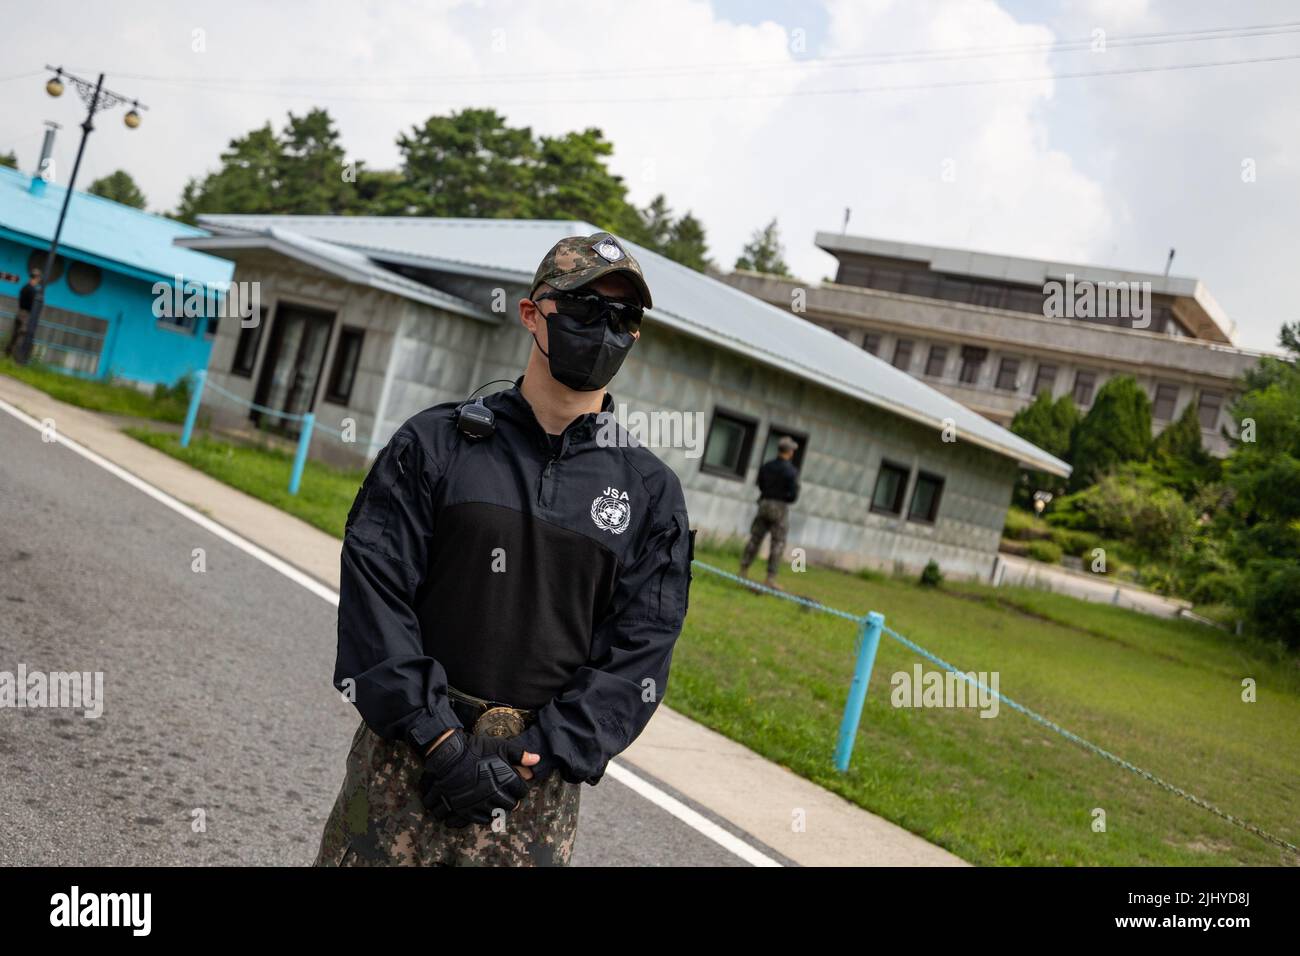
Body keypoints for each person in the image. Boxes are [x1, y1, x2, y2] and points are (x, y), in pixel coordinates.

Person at [315, 232, 694, 867]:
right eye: (581, 309)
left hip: (532, 794)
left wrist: (541, 751)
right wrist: (436, 737)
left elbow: (640, 654)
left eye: (623, 318)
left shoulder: (651, 494)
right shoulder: (436, 445)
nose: (603, 330)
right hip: (403, 767)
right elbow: (375, 596)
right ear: (531, 313)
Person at [740, 435, 800, 589]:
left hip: (764, 503)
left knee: (755, 538)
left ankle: (743, 570)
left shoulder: (766, 466)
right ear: (790, 452)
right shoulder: (791, 471)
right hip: (779, 507)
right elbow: (793, 496)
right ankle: (770, 578)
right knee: (778, 543)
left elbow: (760, 485)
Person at [5, 269, 40, 359]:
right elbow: (33, 306)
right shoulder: (33, 291)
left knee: (14, 335)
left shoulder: (24, 287)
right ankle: (16, 358)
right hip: (26, 315)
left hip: (20, 312)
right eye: (38, 278)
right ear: (36, 278)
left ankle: (7, 355)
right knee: (22, 336)